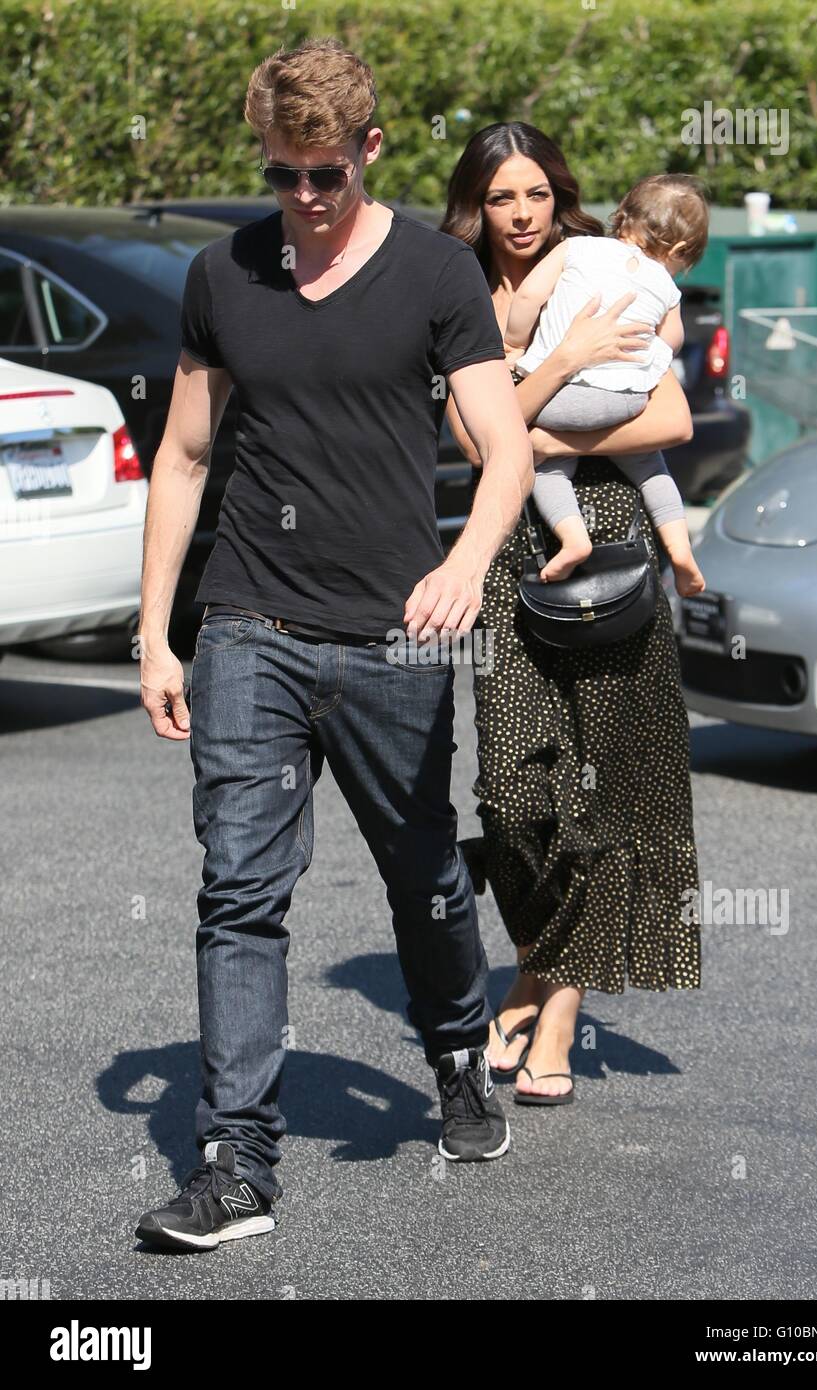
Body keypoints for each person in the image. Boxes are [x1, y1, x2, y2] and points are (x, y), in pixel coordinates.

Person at [134, 42, 533, 1251]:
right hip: (249, 621)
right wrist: (157, 632)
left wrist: (464, 565)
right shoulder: (222, 274)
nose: (302, 199)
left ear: (368, 151)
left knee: (422, 876)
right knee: (239, 891)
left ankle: (457, 1050)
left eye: (323, 174)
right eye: (280, 174)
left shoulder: (437, 272)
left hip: (395, 632)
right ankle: (235, 1160)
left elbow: (502, 445)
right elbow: (186, 456)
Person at [443, 123, 702, 1104]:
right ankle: (533, 961)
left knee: (612, 786)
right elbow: (471, 444)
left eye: (536, 197)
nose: (520, 216)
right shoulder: (454, 290)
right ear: (477, 204)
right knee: (511, 793)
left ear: (560, 199)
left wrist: (531, 417)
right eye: (503, 199)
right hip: (512, 548)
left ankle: (556, 1010)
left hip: (610, 534)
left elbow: (671, 418)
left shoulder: (601, 269)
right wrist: (562, 369)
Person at [504, 173, 707, 595]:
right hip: (626, 401)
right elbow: (671, 341)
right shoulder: (667, 288)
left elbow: (527, 299)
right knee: (650, 465)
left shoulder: (577, 248)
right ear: (681, 251)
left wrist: (516, 343)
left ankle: (574, 538)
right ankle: (682, 550)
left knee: (545, 463)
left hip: (561, 398)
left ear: (623, 219)